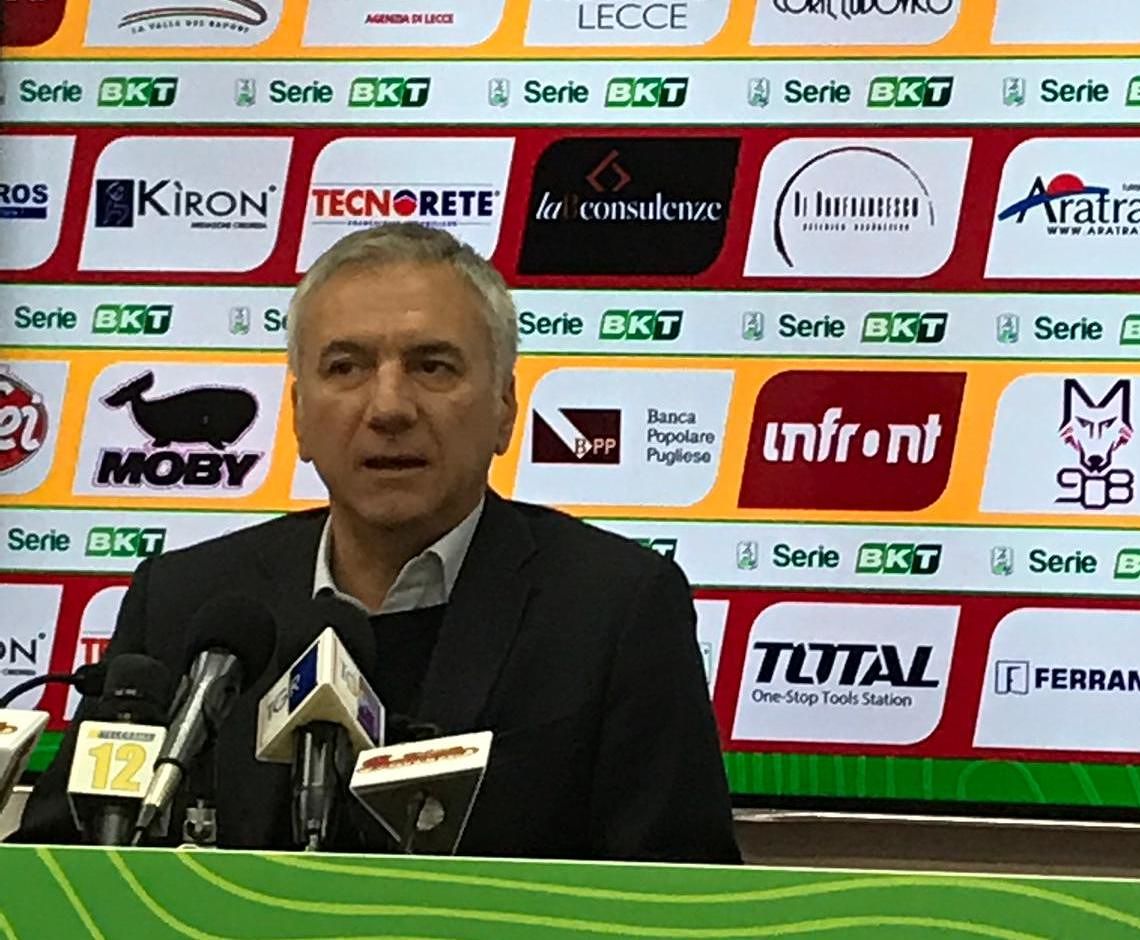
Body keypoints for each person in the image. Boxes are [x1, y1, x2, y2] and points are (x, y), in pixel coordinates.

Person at [16, 222, 741, 863]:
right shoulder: (187, 603)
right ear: (298, 415)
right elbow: (59, 866)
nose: (389, 407)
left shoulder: (614, 608)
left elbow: (678, 893)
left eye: (432, 365)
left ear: (504, 409)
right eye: (346, 367)